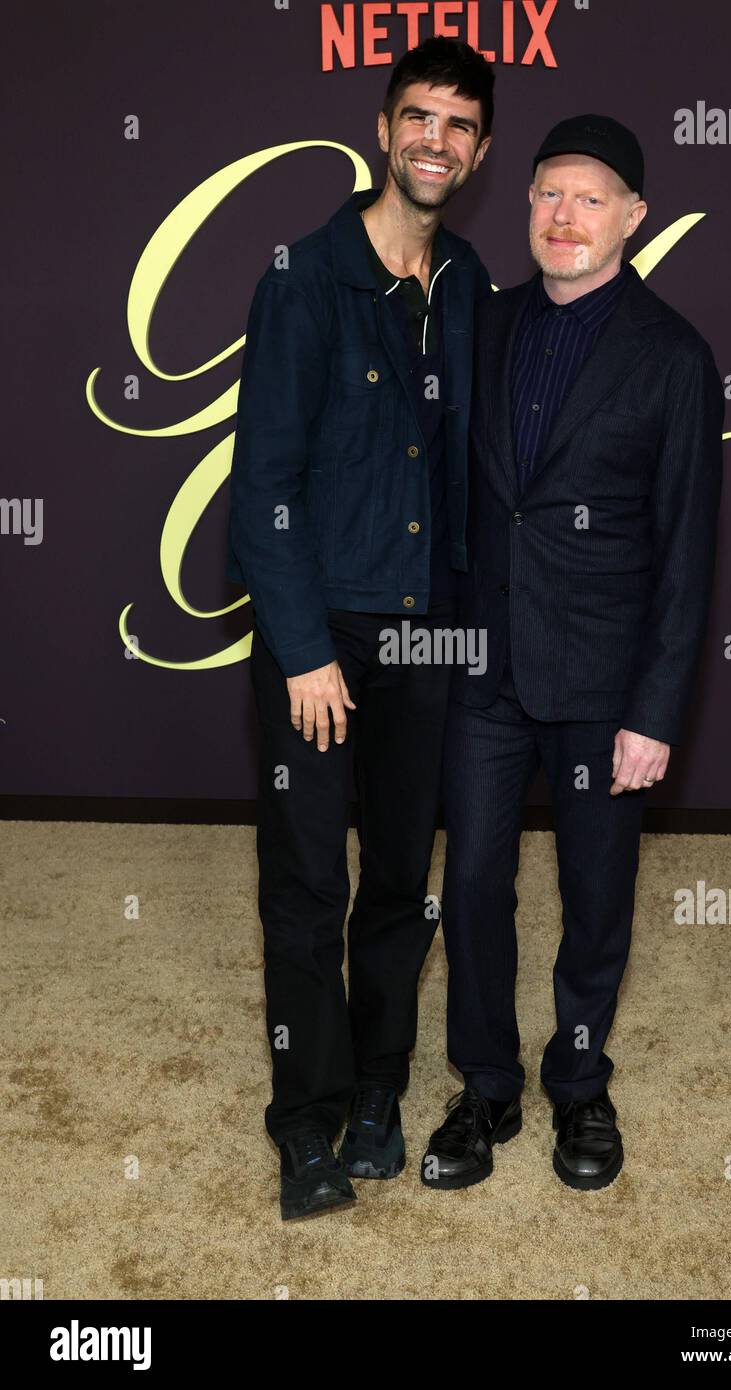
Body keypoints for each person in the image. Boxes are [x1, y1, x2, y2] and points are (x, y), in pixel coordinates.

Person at [422, 115, 724, 1193]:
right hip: (484, 674)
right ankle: (486, 1083)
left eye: (588, 198)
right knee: (472, 884)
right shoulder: (483, 325)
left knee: (597, 894)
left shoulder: (674, 354)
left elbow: (687, 553)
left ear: (632, 217)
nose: (562, 215)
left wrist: (655, 711)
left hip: (603, 686)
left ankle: (580, 1078)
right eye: (547, 193)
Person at [227, 38, 494, 1220]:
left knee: (400, 878)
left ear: (479, 151)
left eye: (459, 126)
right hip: (321, 633)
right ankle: (306, 1120)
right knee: (303, 885)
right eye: (418, 118)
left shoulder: (473, 287)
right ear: (384, 129)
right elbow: (263, 483)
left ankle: (379, 1087)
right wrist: (299, 649)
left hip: (424, 637)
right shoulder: (304, 277)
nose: (435, 141)